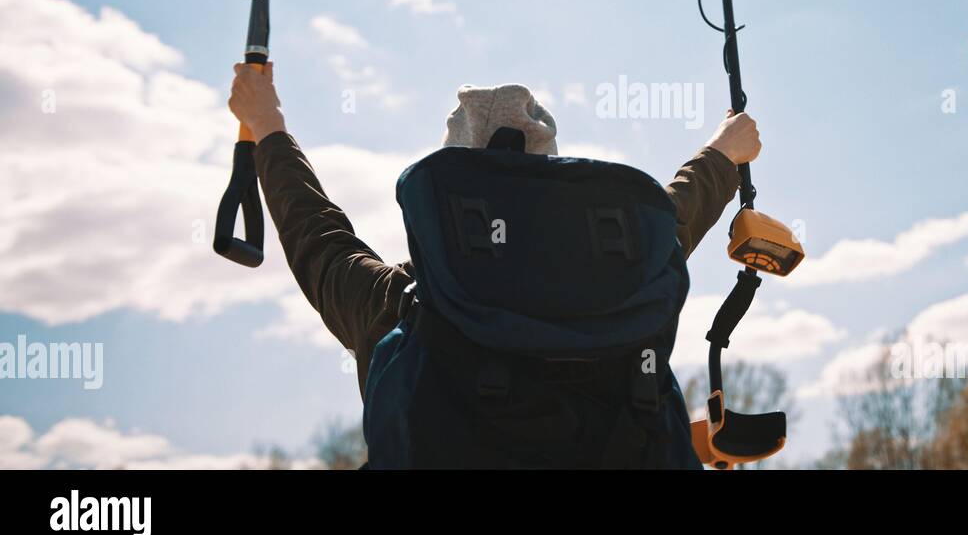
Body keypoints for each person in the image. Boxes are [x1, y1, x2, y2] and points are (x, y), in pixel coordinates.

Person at [227, 62, 763, 397]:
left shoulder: (398, 307)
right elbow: (671, 214)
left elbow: (315, 235)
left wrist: (269, 124)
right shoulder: (618, 272)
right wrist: (724, 152)